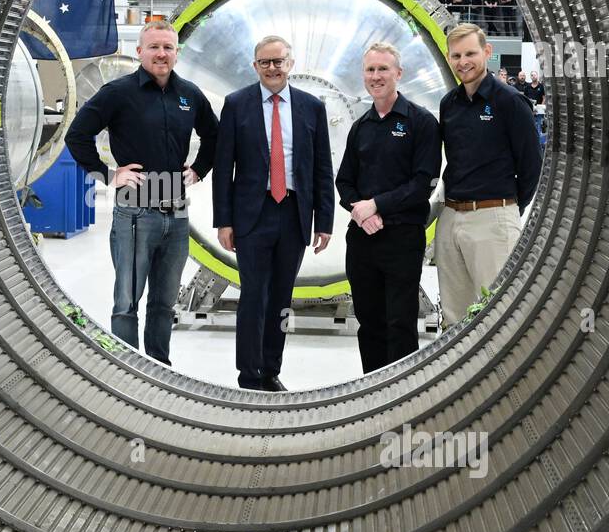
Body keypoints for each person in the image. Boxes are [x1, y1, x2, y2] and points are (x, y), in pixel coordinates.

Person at [65, 20, 218, 365]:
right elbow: (76, 135)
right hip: (134, 213)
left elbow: (214, 137)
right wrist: (107, 174)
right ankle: (127, 371)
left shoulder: (189, 95)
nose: (161, 54)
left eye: (168, 47)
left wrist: (198, 170)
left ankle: (160, 369)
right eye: (154, 47)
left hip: (177, 214)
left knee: (164, 303)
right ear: (140, 52)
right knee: (127, 303)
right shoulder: (118, 93)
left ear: (176, 52)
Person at [213, 35, 334, 390]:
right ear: (255, 66)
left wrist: (323, 221)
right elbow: (224, 167)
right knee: (254, 295)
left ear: (290, 64)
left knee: (282, 298)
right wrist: (224, 219)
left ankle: (271, 371)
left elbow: (322, 168)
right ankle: (249, 376)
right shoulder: (237, 104)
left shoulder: (311, 107)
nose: (272, 68)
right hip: (253, 214)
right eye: (264, 62)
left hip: (294, 214)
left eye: (278, 61)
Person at [335, 43, 441, 373]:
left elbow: (423, 182)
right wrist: (361, 213)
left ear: (398, 73)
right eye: (370, 70)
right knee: (369, 323)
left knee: (400, 323)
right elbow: (344, 182)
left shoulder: (421, 123)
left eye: (383, 69)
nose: (376, 76)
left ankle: (400, 398)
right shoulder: (361, 127)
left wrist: (376, 205)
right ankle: (372, 395)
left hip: (402, 239)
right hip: (363, 240)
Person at [436, 24, 542, 325]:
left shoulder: (509, 102)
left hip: (493, 217)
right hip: (452, 216)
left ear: (487, 52)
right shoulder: (449, 104)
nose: (463, 61)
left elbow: (531, 165)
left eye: (470, 53)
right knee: (455, 315)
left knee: (497, 314)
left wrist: (507, 210)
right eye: (456, 55)